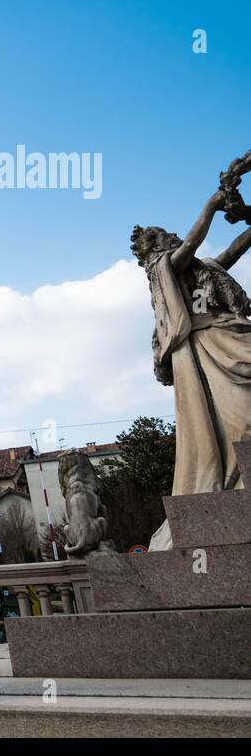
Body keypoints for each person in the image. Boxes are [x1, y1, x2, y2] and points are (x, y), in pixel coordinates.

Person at [131, 180, 251, 549]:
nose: (173, 237)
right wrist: (212, 205)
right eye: (164, 236)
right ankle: (235, 483)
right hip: (211, 346)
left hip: (234, 333)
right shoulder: (166, 267)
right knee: (242, 417)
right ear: (156, 248)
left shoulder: (204, 268)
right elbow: (191, 245)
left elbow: (232, 250)